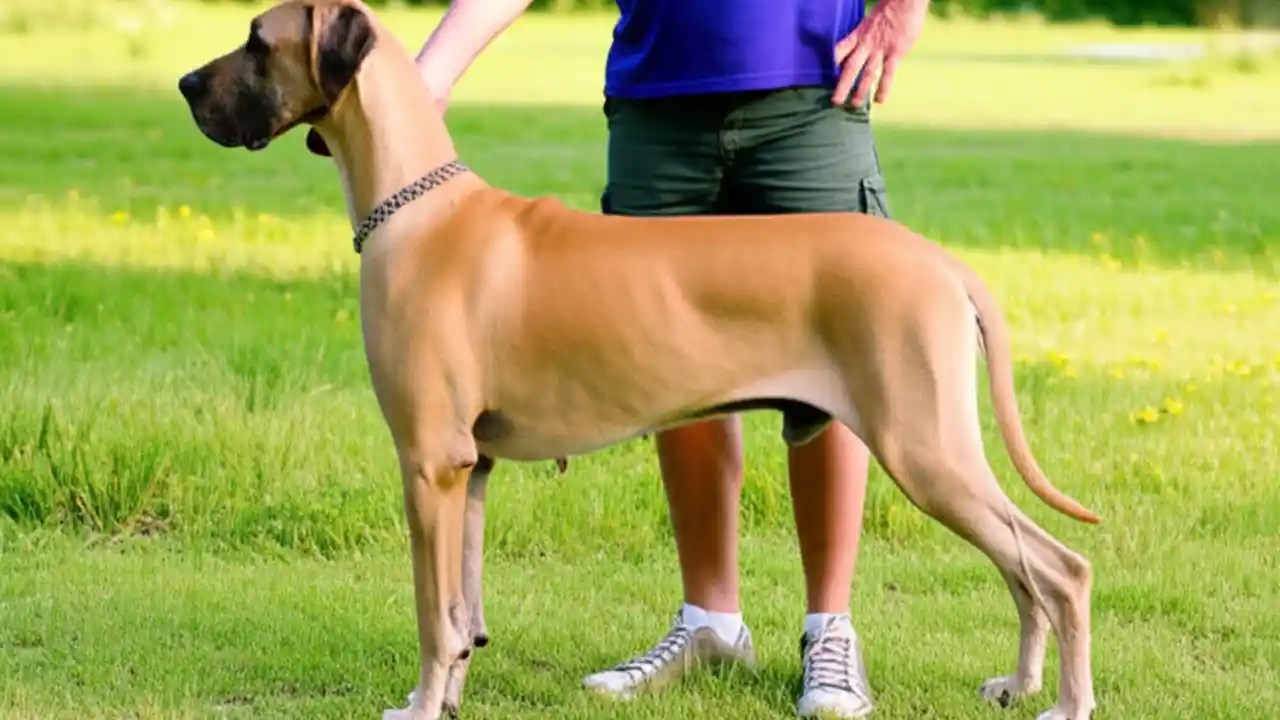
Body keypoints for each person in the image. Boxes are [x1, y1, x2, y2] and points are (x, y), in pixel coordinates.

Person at [413, 0, 929, 716]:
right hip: (657, 106)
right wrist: (429, 78)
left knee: (830, 354)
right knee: (663, 354)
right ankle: (710, 621)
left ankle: (829, 630)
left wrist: (905, 8)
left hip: (812, 90)